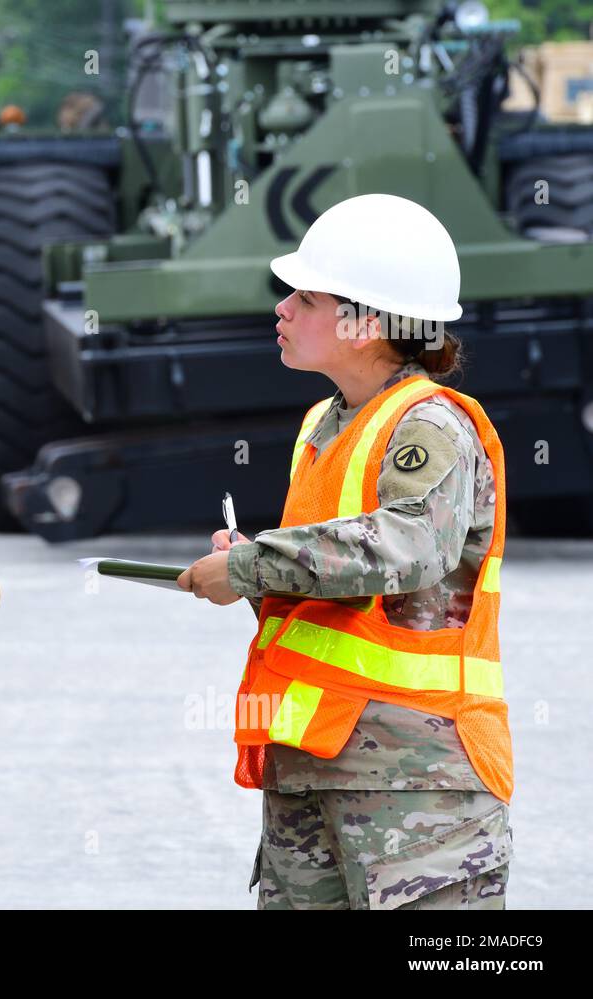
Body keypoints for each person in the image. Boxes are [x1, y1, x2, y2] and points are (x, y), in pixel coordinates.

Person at [177, 193, 514, 910]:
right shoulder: (324, 427)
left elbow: (407, 547)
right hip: (316, 764)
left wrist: (249, 563)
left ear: (366, 323)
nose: (282, 310)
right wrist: (253, 575)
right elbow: (337, 602)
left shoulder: (430, 426)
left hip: (417, 793)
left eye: (305, 296)